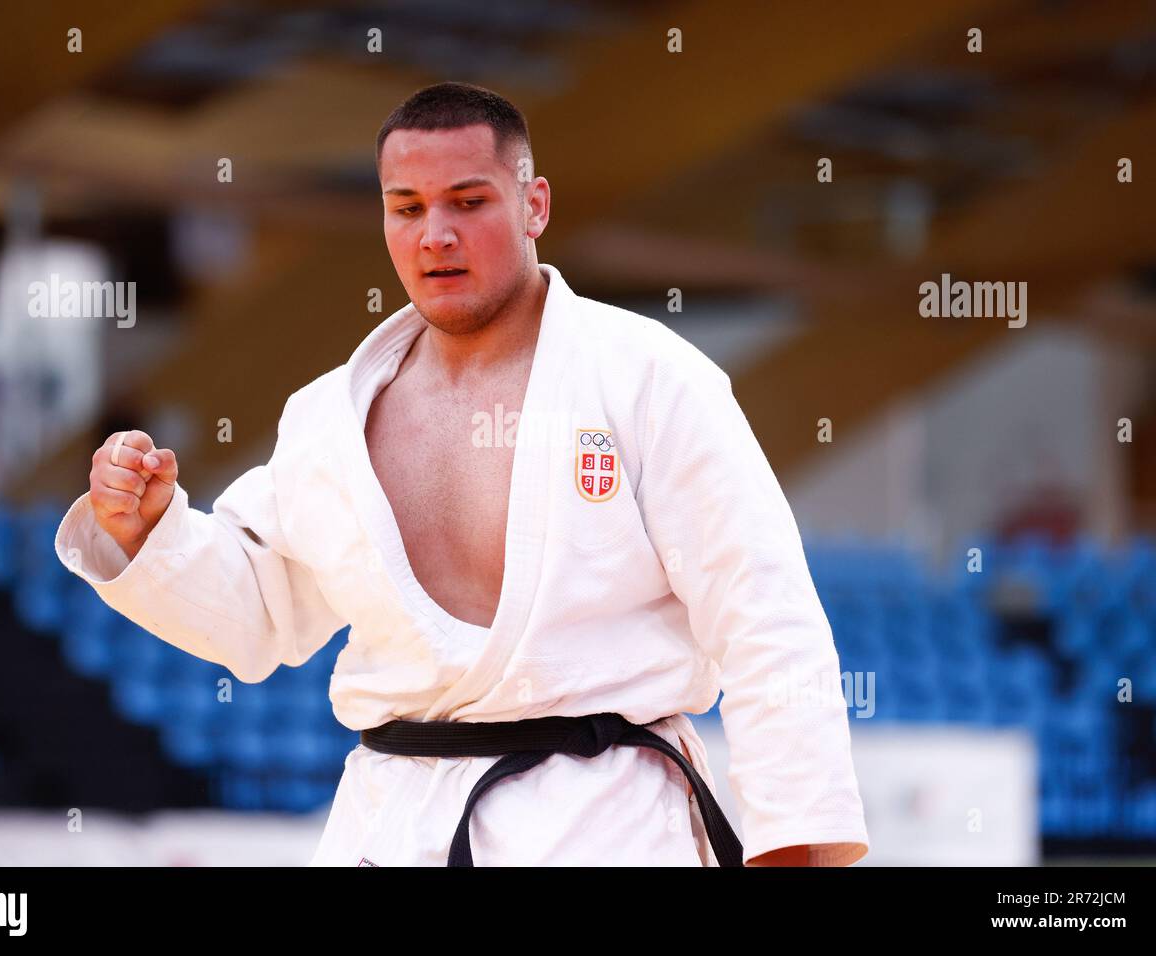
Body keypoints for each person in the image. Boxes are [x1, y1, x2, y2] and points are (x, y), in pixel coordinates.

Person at [55, 81, 869, 867]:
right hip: (392, 824)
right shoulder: (329, 418)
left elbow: (768, 621)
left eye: (468, 202)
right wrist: (147, 532)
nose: (434, 234)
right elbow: (259, 612)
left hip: (602, 824)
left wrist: (794, 851)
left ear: (534, 206)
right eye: (406, 208)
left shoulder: (649, 378)